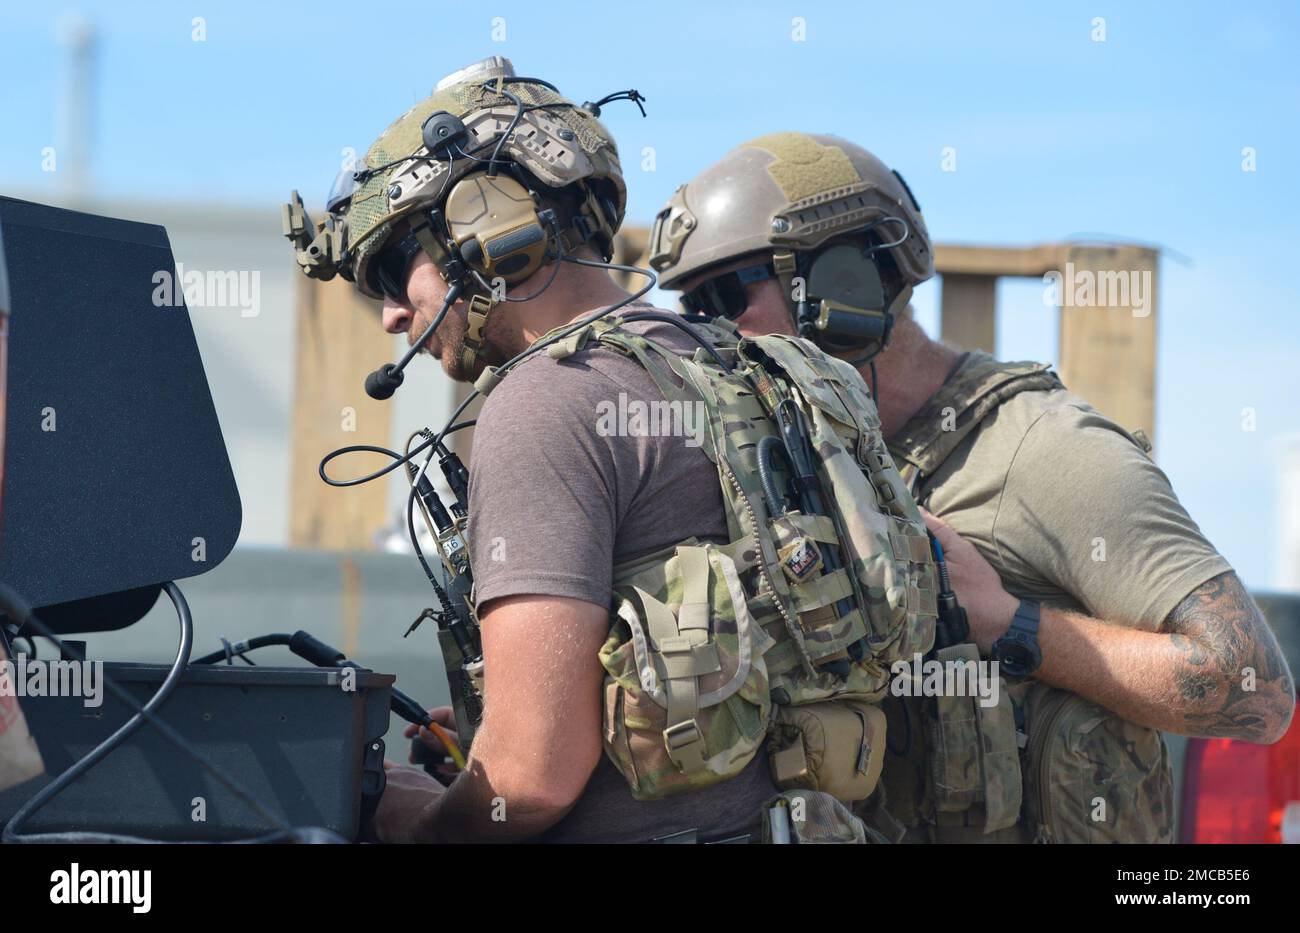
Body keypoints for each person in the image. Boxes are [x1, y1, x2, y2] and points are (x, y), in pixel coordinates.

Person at [285, 63, 936, 843]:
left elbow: (529, 779)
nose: (393, 315)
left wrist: (412, 822)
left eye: (396, 268)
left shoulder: (547, 401)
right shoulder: (753, 365)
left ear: (483, 225)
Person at [649, 131, 1295, 842]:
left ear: (841, 286)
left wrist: (1012, 622)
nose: (705, 333)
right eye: (692, 308)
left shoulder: (1046, 449)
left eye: (724, 296)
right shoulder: (805, 462)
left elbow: (1256, 694)